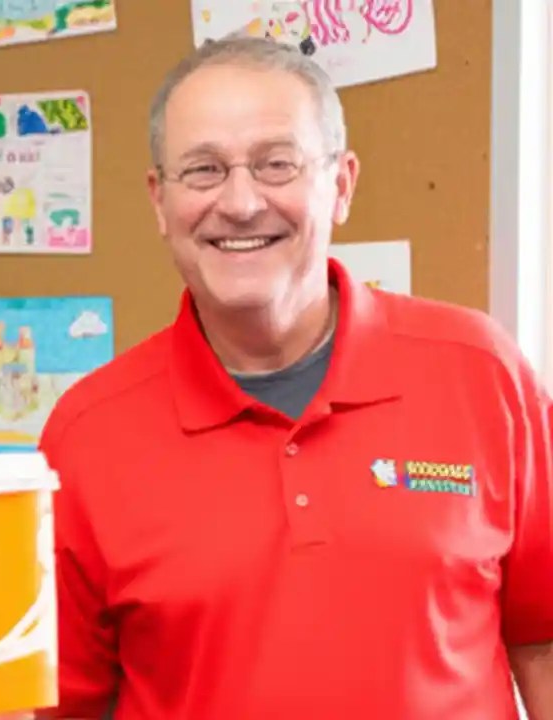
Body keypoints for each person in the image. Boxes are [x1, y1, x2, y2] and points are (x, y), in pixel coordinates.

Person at [38, 37, 553, 719]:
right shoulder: (86, 435)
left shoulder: (483, 374)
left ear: (340, 185)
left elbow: (542, 641)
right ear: (160, 202)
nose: (242, 202)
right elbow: (44, 706)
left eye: (277, 164)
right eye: (203, 170)